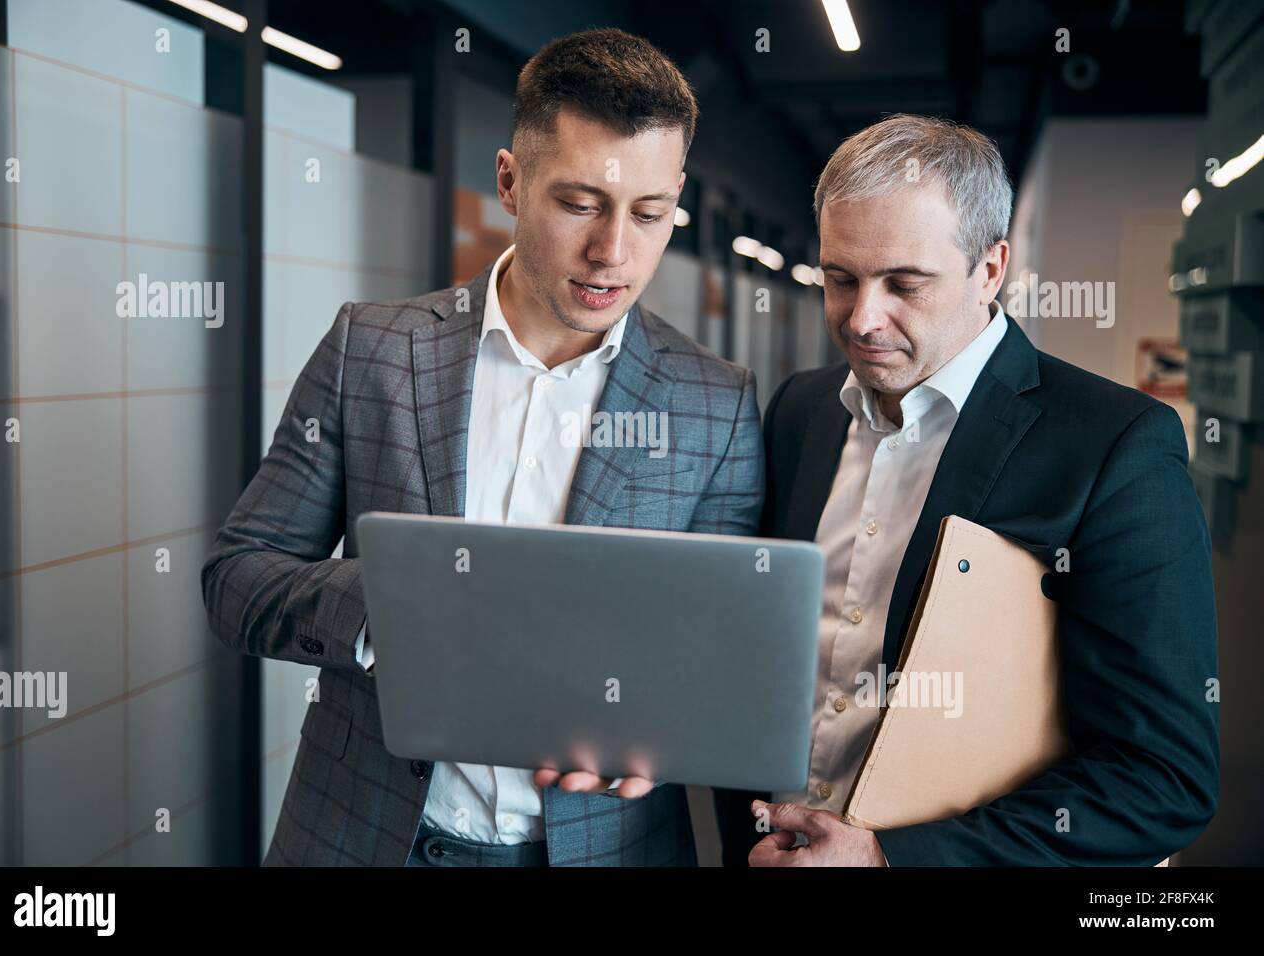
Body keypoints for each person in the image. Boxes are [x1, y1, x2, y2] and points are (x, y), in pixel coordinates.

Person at [202, 28, 764, 867]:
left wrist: (660, 728)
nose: (613, 251)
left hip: (604, 850)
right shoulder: (373, 349)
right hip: (366, 837)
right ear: (509, 180)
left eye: (649, 214)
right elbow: (236, 576)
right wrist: (396, 602)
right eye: (579, 204)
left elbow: (724, 652)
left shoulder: (716, 403)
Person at [717, 113, 1218, 866]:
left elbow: (1162, 778)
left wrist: (889, 859)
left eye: (904, 283)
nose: (862, 319)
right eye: (841, 278)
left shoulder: (1114, 446)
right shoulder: (801, 409)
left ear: (991, 269)